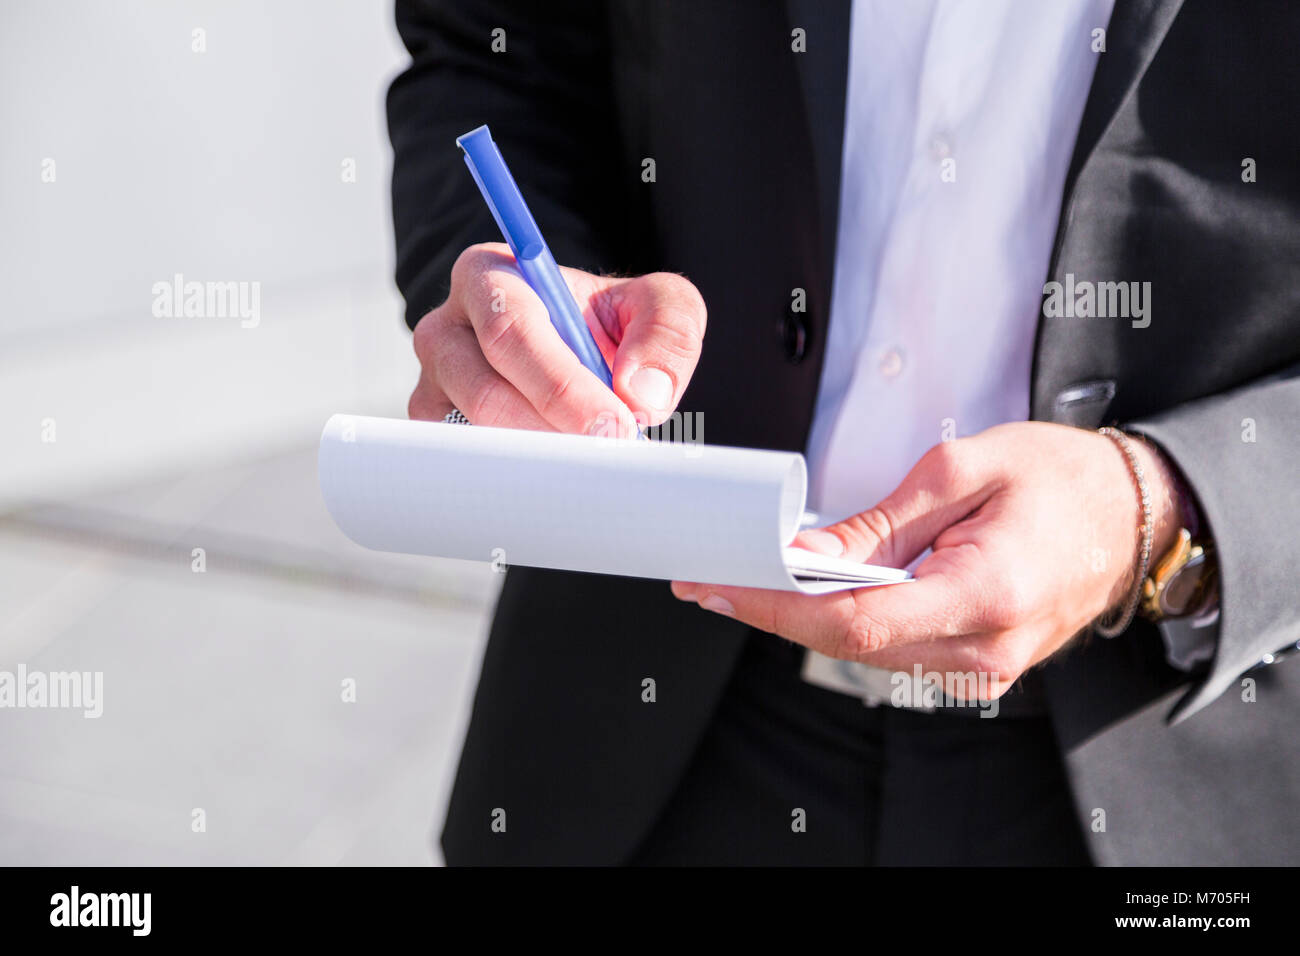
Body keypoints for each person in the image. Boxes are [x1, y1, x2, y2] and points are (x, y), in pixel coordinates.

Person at [387, 0, 1300, 865]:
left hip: (1162, 758)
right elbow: (495, 48)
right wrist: (523, 316)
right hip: (652, 730)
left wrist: (1156, 503)